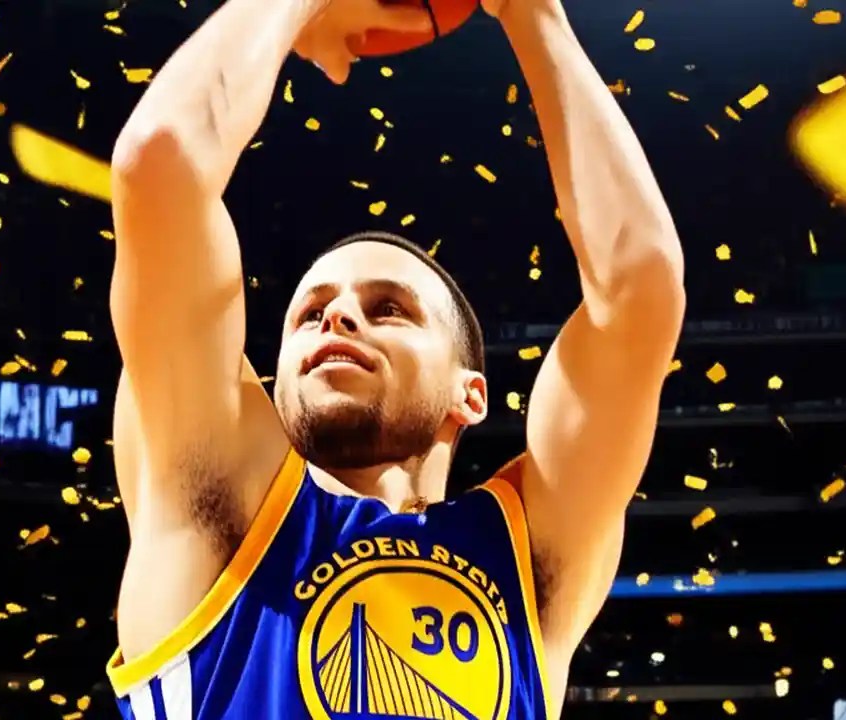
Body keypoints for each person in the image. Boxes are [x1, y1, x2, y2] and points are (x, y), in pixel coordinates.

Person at [105, 0, 684, 716]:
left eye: (389, 310)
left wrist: (533, 15)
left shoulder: (529, 547)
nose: (338, 315)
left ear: (470, 394)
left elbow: (641, 286)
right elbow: (160, 162)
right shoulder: (215, 503)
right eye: (310, 313)